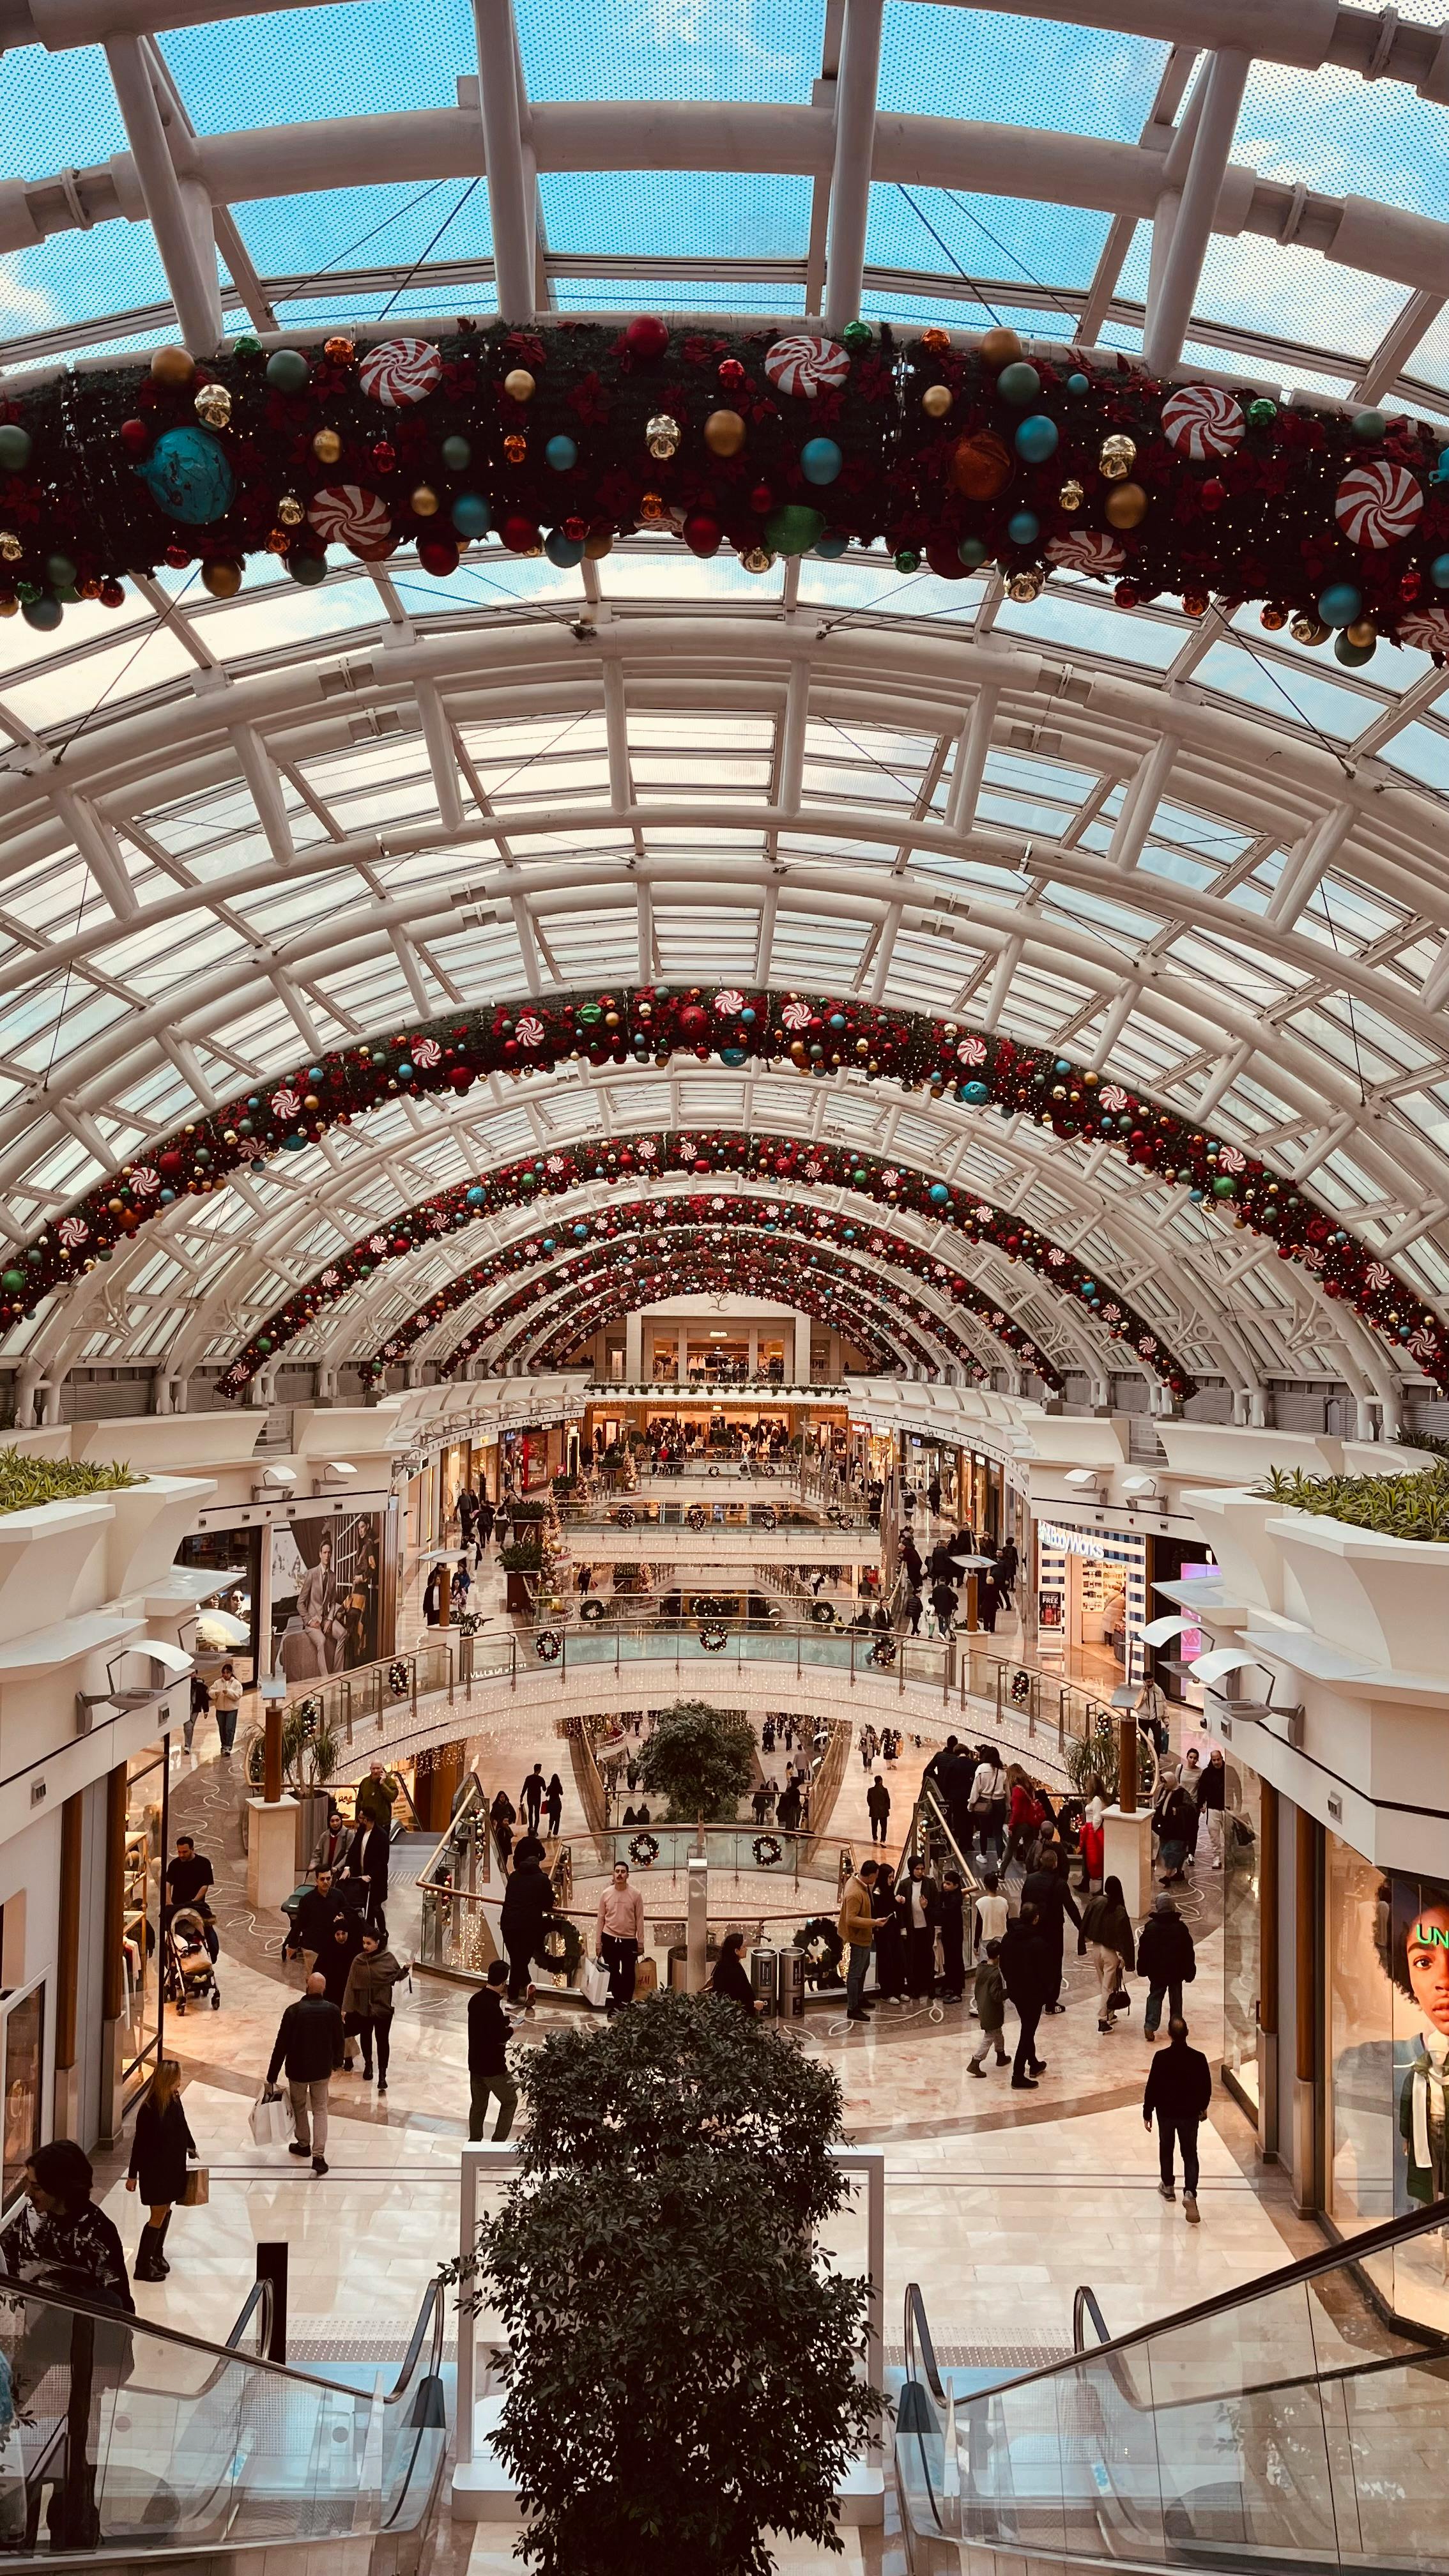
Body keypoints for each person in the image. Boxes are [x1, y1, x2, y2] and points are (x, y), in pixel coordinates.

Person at [265, 1972, 344, 2175]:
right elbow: (339, 2040)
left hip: (298, 2070)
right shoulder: (333, 2011)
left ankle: (303, 2144)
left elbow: (281, 2045)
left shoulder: (293, 2011)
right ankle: (319, 2156)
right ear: (324, 1989)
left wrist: (272, 2075)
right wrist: (337, 2062)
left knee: (299, 2106)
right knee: (320, 2110)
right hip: (321, 2070)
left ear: (306, 1985)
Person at [126, 2058, 197, 2281]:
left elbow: (182, 2125)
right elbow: (139, 2144)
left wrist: (191, 2145)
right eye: (177, 2078)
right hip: (155, 2171)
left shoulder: (174, 2099)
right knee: (157, 2215)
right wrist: (132, 2175)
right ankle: (142, 2265)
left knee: (166, 2211)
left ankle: (156, 2254)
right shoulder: (149, 2109)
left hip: (172, 2167)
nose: (180, 2081)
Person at [1144, 2016, 1213, 2221]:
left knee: (1166, 2149)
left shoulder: (1161, 2057)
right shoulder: (1198, 2058)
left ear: (1169, 2035)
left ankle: (1168, 2186)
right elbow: (1206, 2088)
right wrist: (1202, 2108)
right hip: (1189, 2114)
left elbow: (1152, 2086)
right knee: (1190, 2154)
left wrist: (1148, 2112)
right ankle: (1190, 2191)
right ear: (1187, 2033)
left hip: (1166, 2113)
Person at [342, 1928, 407, 2091]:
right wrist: (346, 2008)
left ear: (378, 1943)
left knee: (382, 2040)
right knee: (366, 2036)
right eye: (364, 1942)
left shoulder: (388, 1959)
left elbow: (395, 1976)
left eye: (369, 1943)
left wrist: (405, 1971)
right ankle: (368, 2064)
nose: (365, 1946)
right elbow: (350, 1984)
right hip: (364, 2007)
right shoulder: (358, 1961)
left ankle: (383, 2074)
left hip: (383, 2007)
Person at [1022, 1846, 1082, 2013]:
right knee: (1054, 1965)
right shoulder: (1060, 1884)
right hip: (1054, 1930)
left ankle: (1033, 1997)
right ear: (1055, 1864)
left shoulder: (1031, 1880)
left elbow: (1024, 1902)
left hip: (1034, 1928)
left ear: (1041, 1862)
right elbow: (1071, 1908)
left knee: (1035, 1963)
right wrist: (1082, 1928)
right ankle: (1050, 2002)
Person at [1000, 1903, 1052, 2089]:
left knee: (1027, 2027)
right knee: (1028, 2032)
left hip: (1015, 1992)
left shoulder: (1008, 1937)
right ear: (1036, 1918)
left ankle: (1034, 2062)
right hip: (1033, 1995)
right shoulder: (1037, 1943)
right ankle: (1017, 2075)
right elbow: (1045, 1973)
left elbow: (1003, 1965)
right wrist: (1047, 1994)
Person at [468, 1962, 518, 2141]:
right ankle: (497, 2142)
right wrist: (512, 2029)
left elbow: (483, 2027)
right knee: (510, 2101)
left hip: (475, 2064)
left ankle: (474, 2141)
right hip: (493, 2068)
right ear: (503, 1982)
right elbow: (499, 2037)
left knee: (479, 2105)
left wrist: (503, 2020)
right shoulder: (492, 2007)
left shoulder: (475, 2000)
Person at [1138, 1891, 1197, 2041]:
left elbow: (1144, 1951)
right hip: (1176, 1972)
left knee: (1155, 1996)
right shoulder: (1180, 1928)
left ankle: (1150, 2026)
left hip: (1157, 1972)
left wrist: (1143, 1968)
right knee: (1176, 1999)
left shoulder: (1151, 1928)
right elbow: (1188, 1952)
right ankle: (1176, 2026)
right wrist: (1190, 1971)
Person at [1081, 1875, 1136, 2034]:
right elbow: (1124, 1937)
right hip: (1110, 1953)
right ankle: (1102, 2019)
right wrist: (1125, 1958)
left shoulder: (1096, 1902)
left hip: (1096, 1949)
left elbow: (1085, 1923)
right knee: (1108, 1987)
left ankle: (1110, 2015)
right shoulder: (1119, 1909)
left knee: (1104, 1986)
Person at [501, 1851, 553, 2004]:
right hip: (528, 1927)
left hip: (508, 1924)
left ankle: (524, 1987)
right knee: (521, 1961)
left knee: (517, 1959)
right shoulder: (542, 1880)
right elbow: (548, 1904)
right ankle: (515, 1993)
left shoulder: (514, 1877)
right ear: (538, 1865)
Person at [595, 1860, 645, 2013]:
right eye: (617, 1871)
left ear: (627, 1875)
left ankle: (626, 2001)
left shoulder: (636, 1894)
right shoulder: (606, 1894)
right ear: (613, 1874)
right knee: (614, 1971)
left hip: (629, 1940)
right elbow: (601, 1919)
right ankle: (618, 2003)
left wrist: (641, 1942)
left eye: (623, 1872)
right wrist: (598, 1943)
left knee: (629, 1972)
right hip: (609, 1938)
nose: (620, 1874)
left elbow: (639, 1919)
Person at [164, 1834, 218, 1960]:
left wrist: (194, 1901)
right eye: (179, 1852)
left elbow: (205, 1886)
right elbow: (168, 1883)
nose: (181, 1855)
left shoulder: (204, 1863)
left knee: (208, 1930)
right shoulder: (174, 1864)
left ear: (193, 1849)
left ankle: (212, 1952)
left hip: (196, 1904)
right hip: (177, 1904)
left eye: (185, 1852)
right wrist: (168, 1901)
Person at [319, 1916, 365, 2066]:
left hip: (349, 1996)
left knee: (347, 2028)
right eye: (338, 1934)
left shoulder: (354, 1951)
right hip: (332, 1996)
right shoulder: (327, 1950)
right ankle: (337, 2056)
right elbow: (319, 1970)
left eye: (343, 1934)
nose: (341, 1937)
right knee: (333, 2027)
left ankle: (347, 2058)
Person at [838, 1859, 879, 2022]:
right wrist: (874, 1922)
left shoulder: (857, 1883)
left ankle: (860, 1998)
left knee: (864, 1967)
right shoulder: (855, 1893)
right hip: (857, 1938)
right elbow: (851, 1919)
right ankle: (852, 2007)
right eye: (875, 1876)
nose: (876, 1879)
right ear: (869, 1875)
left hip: (863, 1937)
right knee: (855, 1974)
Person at [968, 1941, 1010, 2076]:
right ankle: (976, 2061)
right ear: (999, 1956)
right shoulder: (995, 1974)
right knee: (990, 2035)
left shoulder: (981, 1968)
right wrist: (1009, 1992)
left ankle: (1001, 2055)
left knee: (997, 2032)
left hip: (983, 2006)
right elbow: (996, 1995)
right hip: (992, 2009)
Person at [288, 1866, 344, 1966]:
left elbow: (348, 1913)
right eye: (322, 1879)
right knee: (312, 1978)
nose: (326, 1882)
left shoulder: (338, 1896)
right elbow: (299, 1923)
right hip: (312, 1946)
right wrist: (292, 1944)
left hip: (332, 1944)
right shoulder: (307, 1900)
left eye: (328, 1878)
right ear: (317, 1880)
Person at [900, 1854, 938, 1999]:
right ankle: (914, 1987)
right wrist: (903, 1928)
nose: (920, 1872)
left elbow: (936, 1906)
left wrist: (926, 1908)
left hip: (926, 1928)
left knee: (928, 1957)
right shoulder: (904, 1885)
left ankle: (930, 1987)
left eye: (922, 1869)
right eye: (917, 1869)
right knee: (913, 1958)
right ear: (911, 1869)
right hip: (912, 1929)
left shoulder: (930, 1884)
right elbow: (902, 1910)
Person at [345, 1811, 390, 1926]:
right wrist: (348, 1867)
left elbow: (383, 1861)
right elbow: (353, 1850)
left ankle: (382, 1931)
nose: (358, 1820)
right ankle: (365, 1932)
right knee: (362, 1905)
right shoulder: (361, 1831)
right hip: (361, 1877)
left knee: (375, 1907)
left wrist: (371, 1876)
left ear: (366, 1820)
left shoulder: (381, 1835)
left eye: (361, 1818)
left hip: (376, 1879)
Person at [967, 1745, 1009, 1866]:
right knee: (997, 1832)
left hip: (984, 1802)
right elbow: (1008, 1792)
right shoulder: (1002, 1771)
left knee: (984, 1830)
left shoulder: (981, 1768)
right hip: (1000, 1802)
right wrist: (1008, 1806)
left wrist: (971, 1804)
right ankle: (1000, 1859)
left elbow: (976, 1789)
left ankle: (983, 1855)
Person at [709, 1931, 764, 2014]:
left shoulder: (723, 1965)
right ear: (736, 1951)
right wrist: (753, 2004)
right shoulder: (732, 1970)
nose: (746, 1949)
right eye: (744, 1947)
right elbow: (734, 1998)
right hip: (736, 2018)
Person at [935, 1868, 967, 2001]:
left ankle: (957, 1991)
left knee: (956, 1961)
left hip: (955, 1934)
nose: (945, 1886)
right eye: (944, 1883)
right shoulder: (948, 1895)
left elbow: (944, 1912)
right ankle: (948, 1986)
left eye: (948, 1884)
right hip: (949, 1933)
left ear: (956, 1885)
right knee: (949, 1961)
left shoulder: (956, 1899)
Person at [1198, 1745, 1227, 1868]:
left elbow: (1237, 1787)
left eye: (1218, 1759)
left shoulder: (1228, 1771)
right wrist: (1201, 1804)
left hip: (1227, 1809)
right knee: (1214, 1835)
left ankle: (1230, 1857)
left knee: (1230, 1835)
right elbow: (1202, 1789)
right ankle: (1216, 1857)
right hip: (1213, 1808)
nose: (1216, 1762)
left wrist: (1239, 1804)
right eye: (1214, 1760)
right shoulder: (1207, 1773)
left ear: (1222, 1759)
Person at [355, 1762, 399, 1837]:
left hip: (383, 1824)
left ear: (382, 1769)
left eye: (378, 1768)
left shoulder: (389, 1782)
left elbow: (392, 1797)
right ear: (370, 1769)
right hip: (366, 1822)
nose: (376, 1771)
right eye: (374, 1769)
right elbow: (359, 1801)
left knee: (381, 1847)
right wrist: (357, 1820)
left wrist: (383, 1784)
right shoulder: (365, 1782)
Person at [974, 1868, 1009, 1963]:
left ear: (985, 1885)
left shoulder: (981, 1903)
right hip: (1002, 1939)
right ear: (997, 1885)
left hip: (986, 1940)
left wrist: (976, 1944)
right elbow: (1007, 1922)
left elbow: (979, 1925)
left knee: (986, 1966)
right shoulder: (1004, 1902)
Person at [211, 1660, 244, 1756]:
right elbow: (211, 1692)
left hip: (232, 1710)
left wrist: (228, 1693)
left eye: (227, 1673)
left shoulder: (236, 1684)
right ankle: (224, 1745)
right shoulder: (217, 1683)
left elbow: (238, 1695)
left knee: (229, 1728)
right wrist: (215, 1694)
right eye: (224, 1673)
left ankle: (228, 1746)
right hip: (220, 1709)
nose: (225, 1675)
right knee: (222, 1728)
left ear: (231, 1673)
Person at [310, 1807, 351, 1877]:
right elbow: (317, 1853)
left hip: (341, 1873)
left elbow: (349, 1854)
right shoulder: (324, 1835)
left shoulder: (349, 1834)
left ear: (341, 1821)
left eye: (337, 1820)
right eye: (332, 1821)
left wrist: (337, 1867)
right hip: (326, 1873)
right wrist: (313, 1864)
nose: (335, 1823)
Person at [184, 1670, 210, 1754]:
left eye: (193, 1673)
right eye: (190, 1672)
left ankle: (187, 1746)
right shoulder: (182, 1684)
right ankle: (187, 1744)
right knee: (187, 1727)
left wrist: (206, 1710)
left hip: (195, 1708)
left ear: (196, 1674)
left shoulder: (200, 1684)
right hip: (185, 1708)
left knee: (189, 1726)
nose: (191, 1674)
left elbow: (204, 1698)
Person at [489, 1788, 516, 1866]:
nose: (503, 1798)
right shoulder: (496, 1806)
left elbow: (513, 1814)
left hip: (505, 1828)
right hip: (499, 1826)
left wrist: (509, 1821)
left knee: (505, 1852)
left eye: (503, 1797)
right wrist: (495, 1821)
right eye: (501, 1797)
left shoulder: (508, 1805)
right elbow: (492, 1815)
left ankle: (503, 1865)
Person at [866, 1770, 891, 1846]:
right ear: (881, 1781)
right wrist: (887, 1808)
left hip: (874, 1811)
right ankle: (882, 1840)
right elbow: (888, 1799)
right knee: (884, 1827)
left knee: (874, 1826)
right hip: (883, 1812)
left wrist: (872, 1806)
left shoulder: (871, 1790)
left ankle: (875, 1839)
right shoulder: (884, 1790)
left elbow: (868, 1800)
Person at [521, 1764, 545, 1835]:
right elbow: (544, 1789)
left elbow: (525, 1788)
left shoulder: (529, 1778)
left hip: (530, 1798)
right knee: (537, 1814)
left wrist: (521, 1797)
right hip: (537, 1799)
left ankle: (531, 1827)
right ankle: (535, 1829)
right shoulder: (541, 1779)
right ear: (539, 1770)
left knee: (530, 1812)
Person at [543, 1773, 564, 1839]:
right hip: (557, 1803)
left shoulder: (550, 1787)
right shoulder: (559, 1786)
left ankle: (550, 1830)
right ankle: (555, 1834)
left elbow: (546, 1795)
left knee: (551, 1818)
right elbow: (562, 1793)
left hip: (551, 1803)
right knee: (557, 1819)